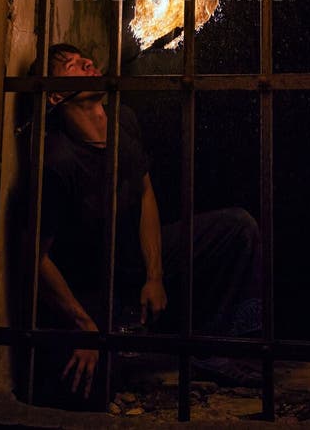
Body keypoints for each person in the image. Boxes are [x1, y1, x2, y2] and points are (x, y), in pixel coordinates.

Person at [33, 42, 262, 409]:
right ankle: (115, 343)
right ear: (55, 95)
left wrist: (154, 275)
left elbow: (145, 192)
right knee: (88, 387)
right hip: (93, 281)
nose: (88, 62)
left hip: (133, 258)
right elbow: (36, 258)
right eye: (72, 65)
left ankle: (215, 347)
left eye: (84, 57)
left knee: (239, 227)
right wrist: (83, 326)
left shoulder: (122, 119)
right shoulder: (58, 161)